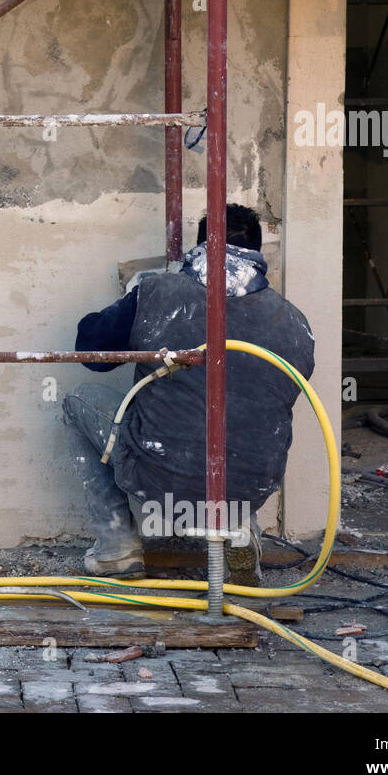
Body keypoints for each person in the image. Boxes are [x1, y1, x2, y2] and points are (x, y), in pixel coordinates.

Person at [62, 204, 315, 580]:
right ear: (258, 255)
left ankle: (117, 549)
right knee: (248, 425)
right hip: (253, 484)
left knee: (76, 400)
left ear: (199, 247)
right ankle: (241, 533)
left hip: (163, 475)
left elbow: (91, 353)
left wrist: (139, 302)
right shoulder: (295, 322)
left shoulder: (159, 293)